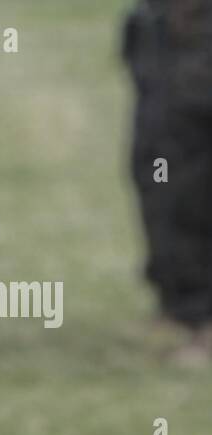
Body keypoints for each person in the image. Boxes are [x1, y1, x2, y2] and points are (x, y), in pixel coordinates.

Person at [125, 0, 212, 365]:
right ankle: (178, 304)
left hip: (199, 49)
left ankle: (205, 325)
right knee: (157, 175)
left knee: (194, 190)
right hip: (164, 39)